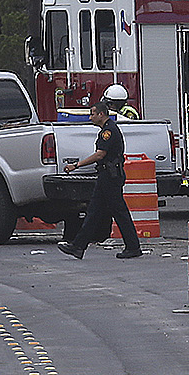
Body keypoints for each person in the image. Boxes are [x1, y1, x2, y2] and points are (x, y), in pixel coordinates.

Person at [56, 100, 143, 259]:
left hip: (110, 177)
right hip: (106, 176)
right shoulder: (107, 129)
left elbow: (99, 154)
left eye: (93, 114)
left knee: (119, 212)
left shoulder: (108, 131)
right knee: (94, 212)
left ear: (101, 114)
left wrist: (77, 165)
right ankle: (78, 246)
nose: (90, 117)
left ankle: (133, 247)